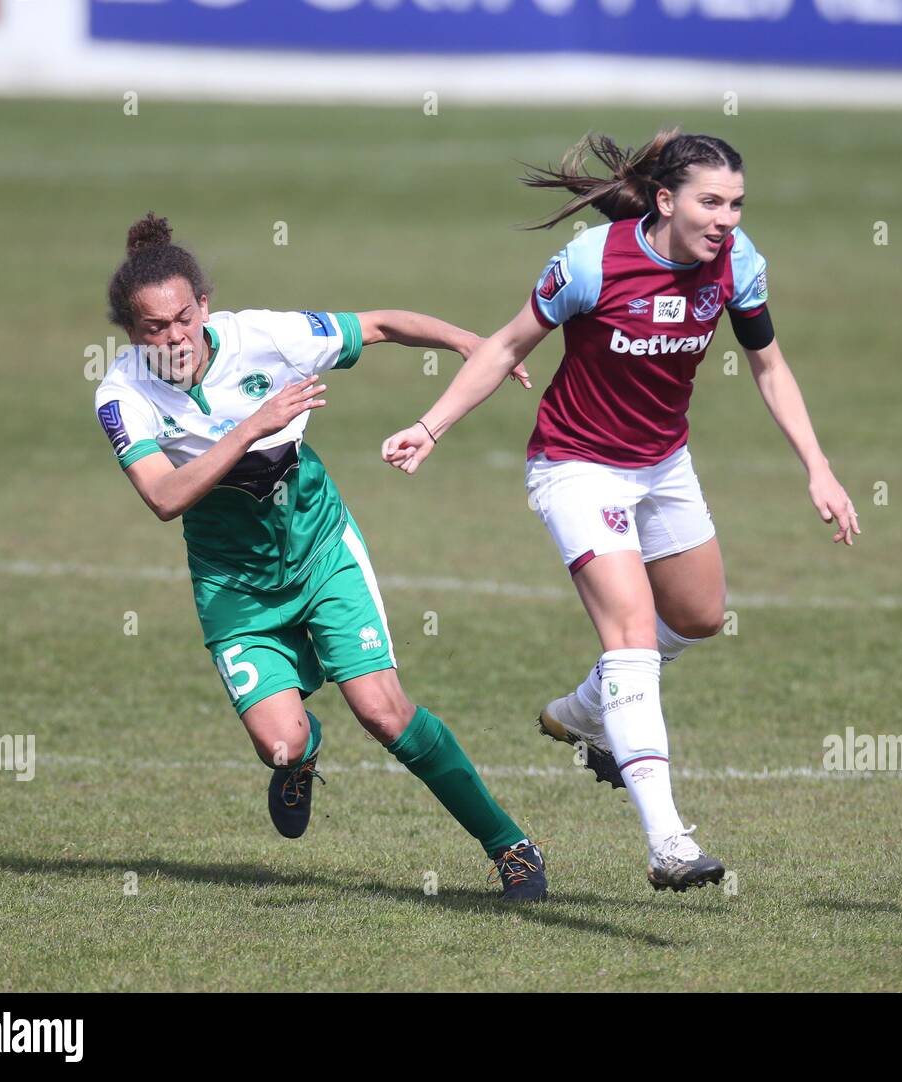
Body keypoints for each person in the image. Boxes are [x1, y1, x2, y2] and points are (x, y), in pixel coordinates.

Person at [382, 130, 859, 892]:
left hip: (664, 464)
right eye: (711, 202)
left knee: (700, 616)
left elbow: (769, 364)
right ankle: (667, 842)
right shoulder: (591, 261)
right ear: (667, 201)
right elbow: (506, 347)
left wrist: (819, 467)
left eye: (736, 204)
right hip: (575, 467)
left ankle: (581, 711)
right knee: (632, 636)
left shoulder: (738, 263)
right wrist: (430, 426)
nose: (726, 218)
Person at [94, 213, 546, 901]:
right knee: (280, 743)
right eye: (154, 328)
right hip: (235, 588)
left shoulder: (267, 338)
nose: (174, 338)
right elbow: (164, 497)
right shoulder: (122, 394)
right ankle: (301, 756)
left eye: (183, 318)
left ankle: (509, 846)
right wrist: (254, 425)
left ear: (204, 306)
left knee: (384, 712)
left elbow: (382, 324)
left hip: (320, 549)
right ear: (131, 333)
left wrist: (470, 343)